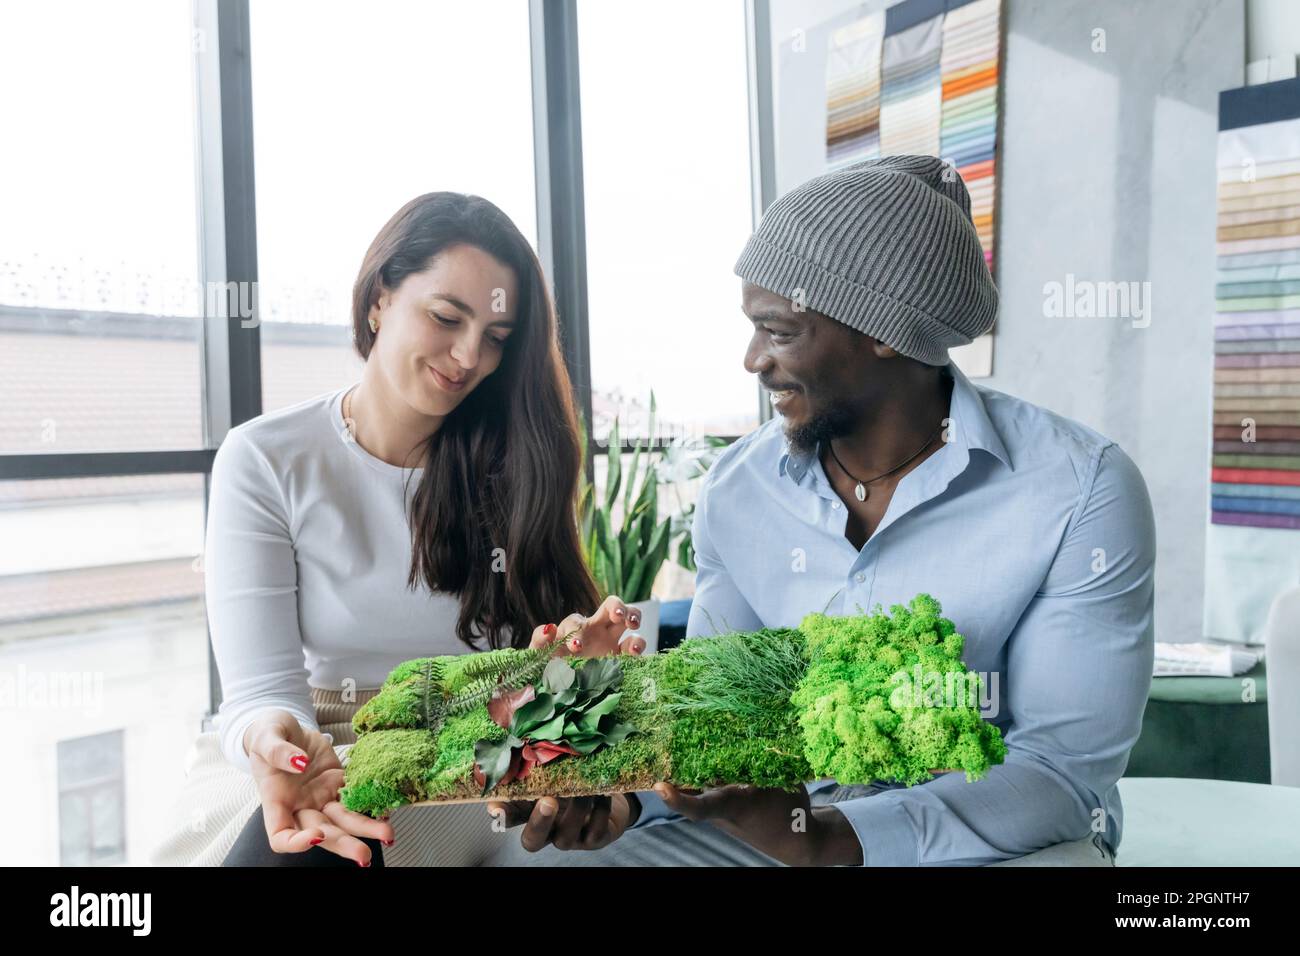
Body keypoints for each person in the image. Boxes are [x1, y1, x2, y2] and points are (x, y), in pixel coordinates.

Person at [484, 155, 1152, 866]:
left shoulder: (1080, 490)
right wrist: (617, 788)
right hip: (781, 824)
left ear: (883, 330)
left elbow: (1059, 775)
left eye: (778, 330)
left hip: (991, 840)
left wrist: (830, 839)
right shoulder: (740, 490)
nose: (752, 359)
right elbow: (719, 722)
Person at [151, 192, 647, 867]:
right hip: (309, 741)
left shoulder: (520, 463)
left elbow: (567, 666)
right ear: (379, 297)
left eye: (497, 339)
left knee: (330, 843)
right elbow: (260, 692)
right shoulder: (266, 457)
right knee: (303, 831)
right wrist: (272, 740)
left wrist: (612, 785)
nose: (469, 356)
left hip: (462, 747)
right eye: (447, 317)